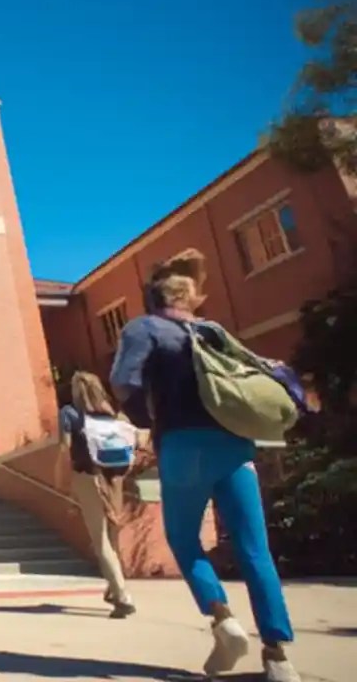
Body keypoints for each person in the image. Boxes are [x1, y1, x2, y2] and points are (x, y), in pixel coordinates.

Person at [110, 248, 299, 682]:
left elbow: (123, 381)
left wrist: (146, 418)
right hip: (236, 445)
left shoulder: (145, 328)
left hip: (183, 445)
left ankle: (222, 619)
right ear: (189, 299)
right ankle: (278, 657)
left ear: (154, 299)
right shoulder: (212, 331)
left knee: (183, 538)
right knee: (256, 550)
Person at [57, 371, 136, 620]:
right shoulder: (114, 416)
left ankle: (123, 597)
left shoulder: (70, 414)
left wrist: (64, 483)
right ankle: (113, 588)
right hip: (115, 478)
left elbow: (64, 451)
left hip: (87, 477)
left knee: (100, 541)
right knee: (112, 539)